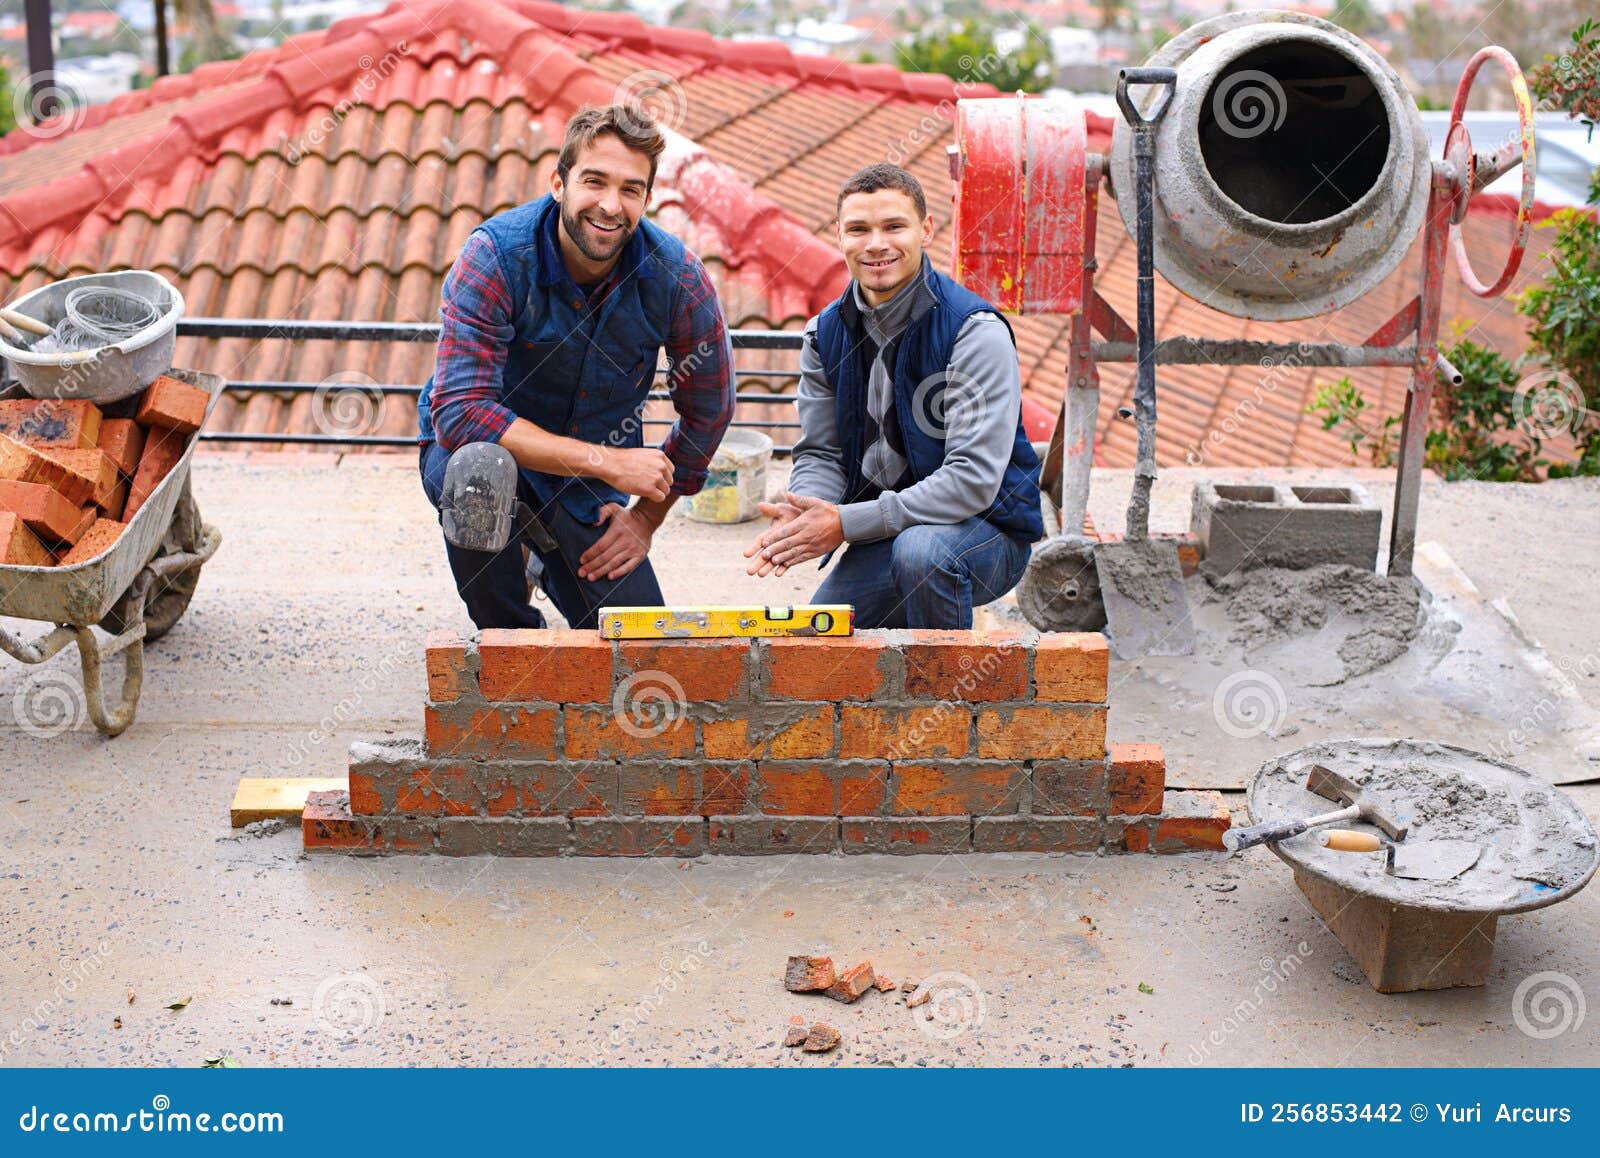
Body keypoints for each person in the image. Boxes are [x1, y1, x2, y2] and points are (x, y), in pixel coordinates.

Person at [418, 105, 734, 630]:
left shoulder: (676, 276)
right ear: (559, 183)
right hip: (490, 459)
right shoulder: (495, 256)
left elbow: (710, 406)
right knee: (480, 477)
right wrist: (610, 464)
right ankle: (509, 632)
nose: (611, 205)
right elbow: (463, 413)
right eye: (594, 182)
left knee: (638, 645)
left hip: (582, 487)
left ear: (647, 200)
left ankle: (544, 553)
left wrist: (644, 519)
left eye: (631, 190)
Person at [744, 164, 1042, 628]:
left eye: (894, 226)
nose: (876, 244)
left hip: (986, 533)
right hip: (888, 529)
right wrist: (805, 510)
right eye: (859, 229)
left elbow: (972, 481)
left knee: (922, 555)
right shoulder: (823, 335)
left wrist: (844, 524)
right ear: (838, 235)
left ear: (926, 229)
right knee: (817, 638)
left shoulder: (973, 332)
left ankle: (945, 693)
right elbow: (822, 451)